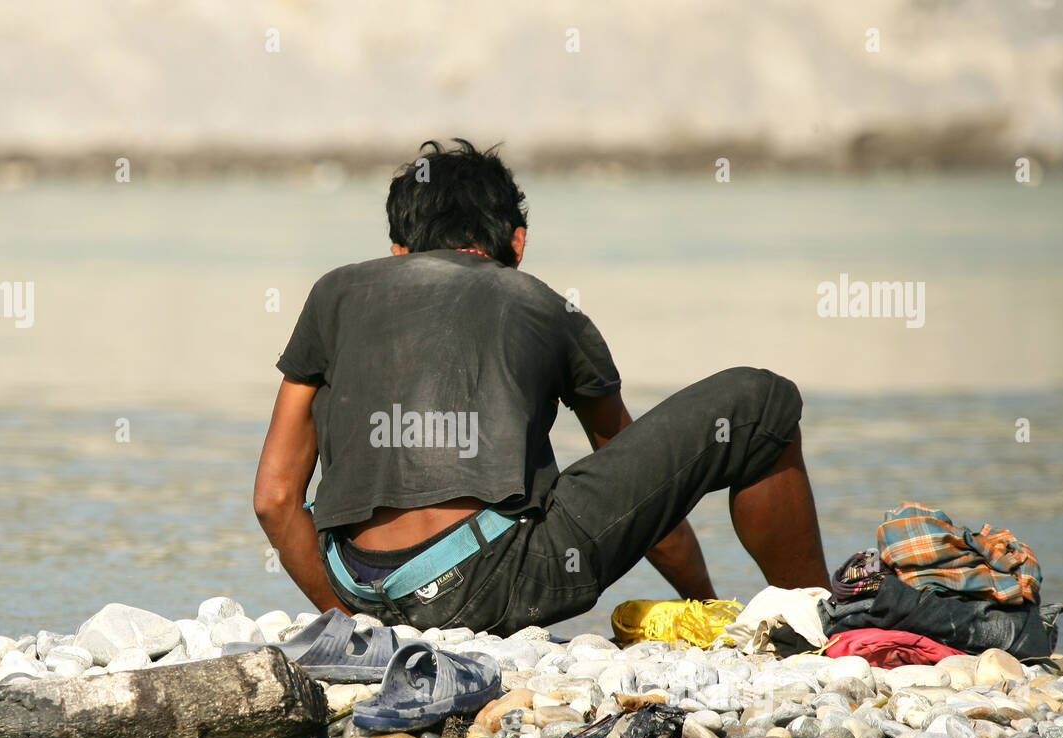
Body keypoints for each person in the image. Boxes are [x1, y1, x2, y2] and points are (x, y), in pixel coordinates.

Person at [254, 138, 828, 636]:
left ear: (397, 251)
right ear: (518, 243)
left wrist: (351, 621)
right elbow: (648, 492)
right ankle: (817, 620)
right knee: (761, 403)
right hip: (495, 583)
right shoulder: (545, 306)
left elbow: (275, 499)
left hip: (358, 590)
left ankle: (367, 612)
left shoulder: (334, 294)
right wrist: (701, 604)